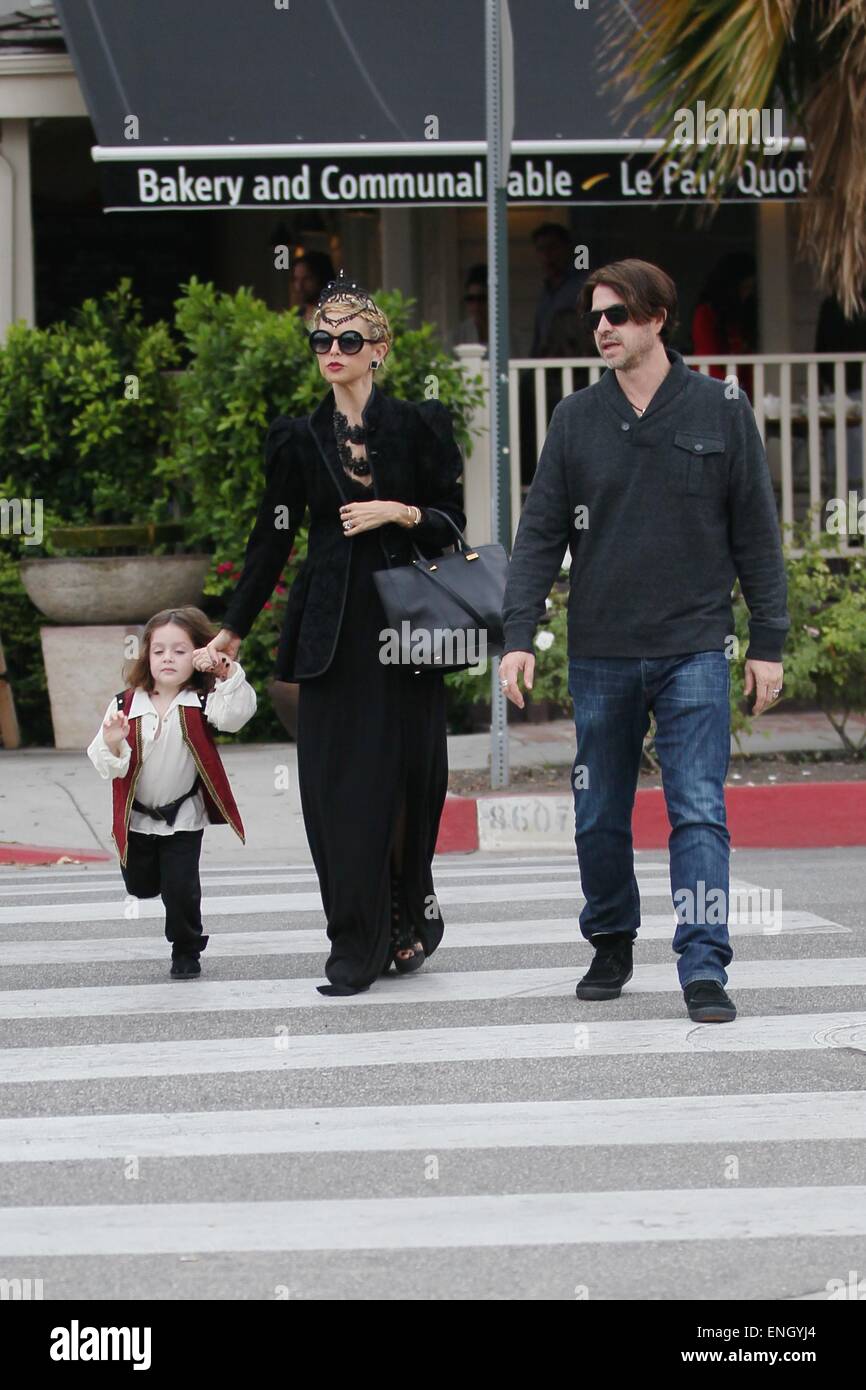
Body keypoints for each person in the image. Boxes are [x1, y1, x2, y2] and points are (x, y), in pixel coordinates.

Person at [499, 258, 789, 1024]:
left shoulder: (720, 408)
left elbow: (757, 534)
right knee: (599, 813)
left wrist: (770, 641)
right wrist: (518, 633)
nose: (602, 328)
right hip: (600, 650)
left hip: (696, 646)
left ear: (658, 319)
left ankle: (703, 962)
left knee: (697, 809)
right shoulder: (575, 421)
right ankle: (612, 938)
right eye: (596, 317)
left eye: (618, 315)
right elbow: (538, 537)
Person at [199, 276, 465, 996]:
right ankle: (353, 942)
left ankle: (407, 917)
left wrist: (397, 512)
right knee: (336, 789)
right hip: (327, 633)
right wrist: (232, 630)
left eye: (350, 339)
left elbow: (453, 523)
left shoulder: (419, 426)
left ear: (379, 349)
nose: (334, 351)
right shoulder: (299, 436)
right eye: (323, 340)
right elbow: (270, 542)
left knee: (408, 783)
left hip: (408, 632)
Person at [87, 607, 256, 979]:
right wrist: (114, 743)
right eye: (159, 650)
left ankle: (186, 949)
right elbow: (106, 764)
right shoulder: (123, 705)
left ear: (198, 653)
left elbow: (235, 716)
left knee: (182, 890)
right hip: (137, 819)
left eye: (180, 651)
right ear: (146, 655)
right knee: (142, 885)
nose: (168, 658)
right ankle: (155, 884)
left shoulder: (203, 701)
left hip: (183, 816)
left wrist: (226, 671)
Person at [690, 251, 757, 399]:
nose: (747, 295)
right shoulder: (706, 314)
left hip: (736, 394)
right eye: (745, 288)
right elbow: (707, 360)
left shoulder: (739, 317)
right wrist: (730, 393)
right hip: (711, 394)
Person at [529, 223, 585, 358]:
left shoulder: (580, 287)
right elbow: (538, 338)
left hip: (574, 368)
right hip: (545, 369)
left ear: (566, 248)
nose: (547, 255)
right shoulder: (545, 293)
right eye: (541, 249)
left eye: (552, 248)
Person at [290, 251, 337, 326]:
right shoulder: (295, 318)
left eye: (306, 279)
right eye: (296, 279)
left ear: (321, 279)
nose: (299, 286)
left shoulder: (337, 317)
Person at [450, 263, 488, 349]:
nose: (476, 305)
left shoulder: (510, 336)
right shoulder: (457, 337)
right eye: (470, 298)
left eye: (482, 298)